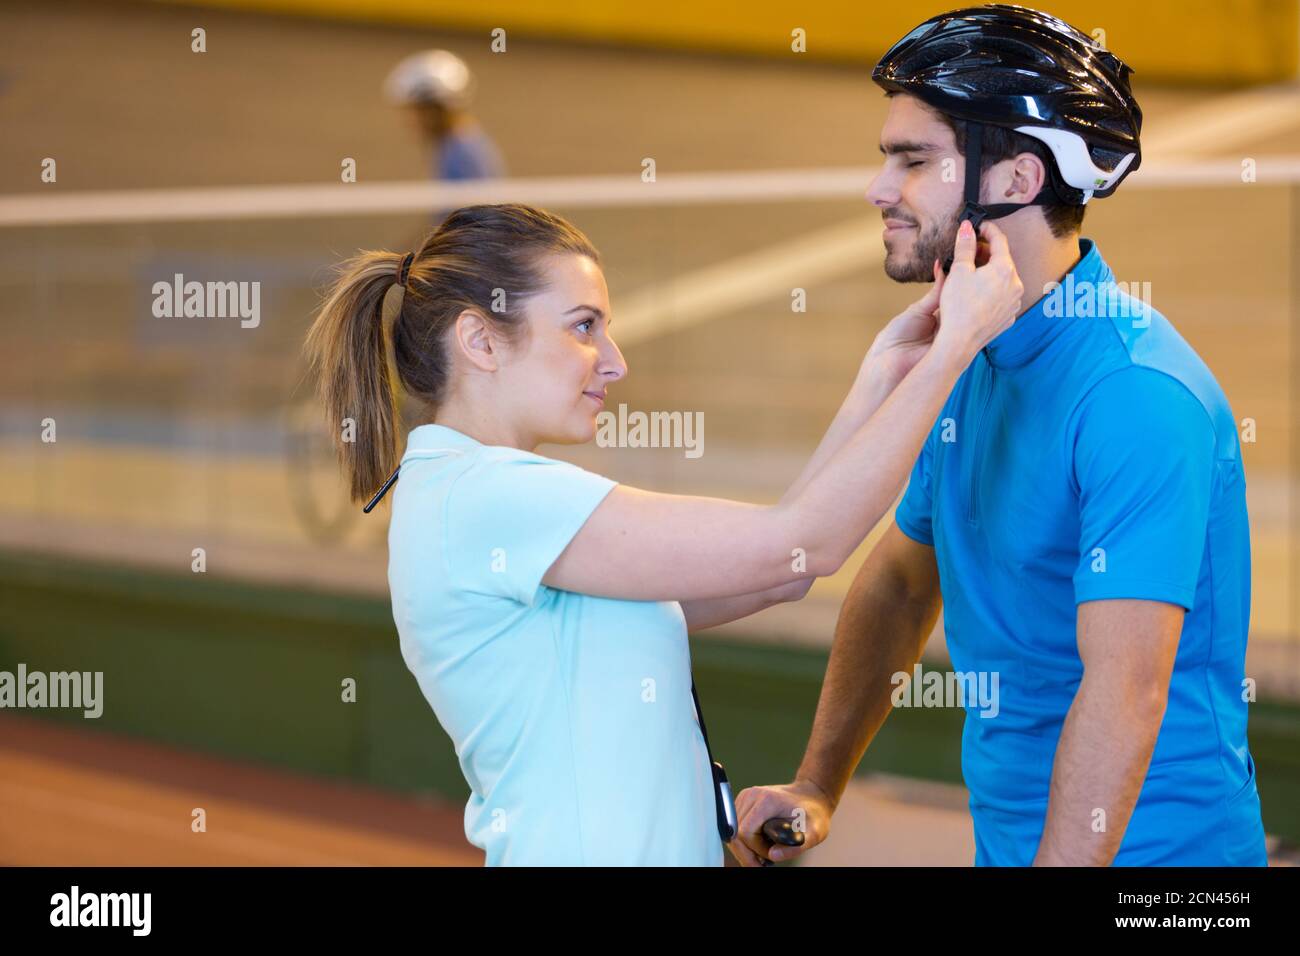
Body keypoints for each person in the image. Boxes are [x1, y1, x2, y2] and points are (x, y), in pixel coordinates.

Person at [304, 202, 1021, 865]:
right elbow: (810, 541)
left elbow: (787, 567)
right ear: (480, 339)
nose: (615, 360)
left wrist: (883, 374)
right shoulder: (490, 498)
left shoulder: (488, 502)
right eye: (584, 326)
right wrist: (954, 348)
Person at [732, 4, 1267, 867]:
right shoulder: (970, 347)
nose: (879, 189)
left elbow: (1125, 692)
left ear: (1016, 180)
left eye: (913, 160)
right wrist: (817, 783)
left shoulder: (1135, 393)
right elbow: (905, 577)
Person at [385, 50, 505, 183]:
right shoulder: (457, 145)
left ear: (435, 110)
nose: (410, 120)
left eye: (416, 110)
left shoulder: (461, 154)